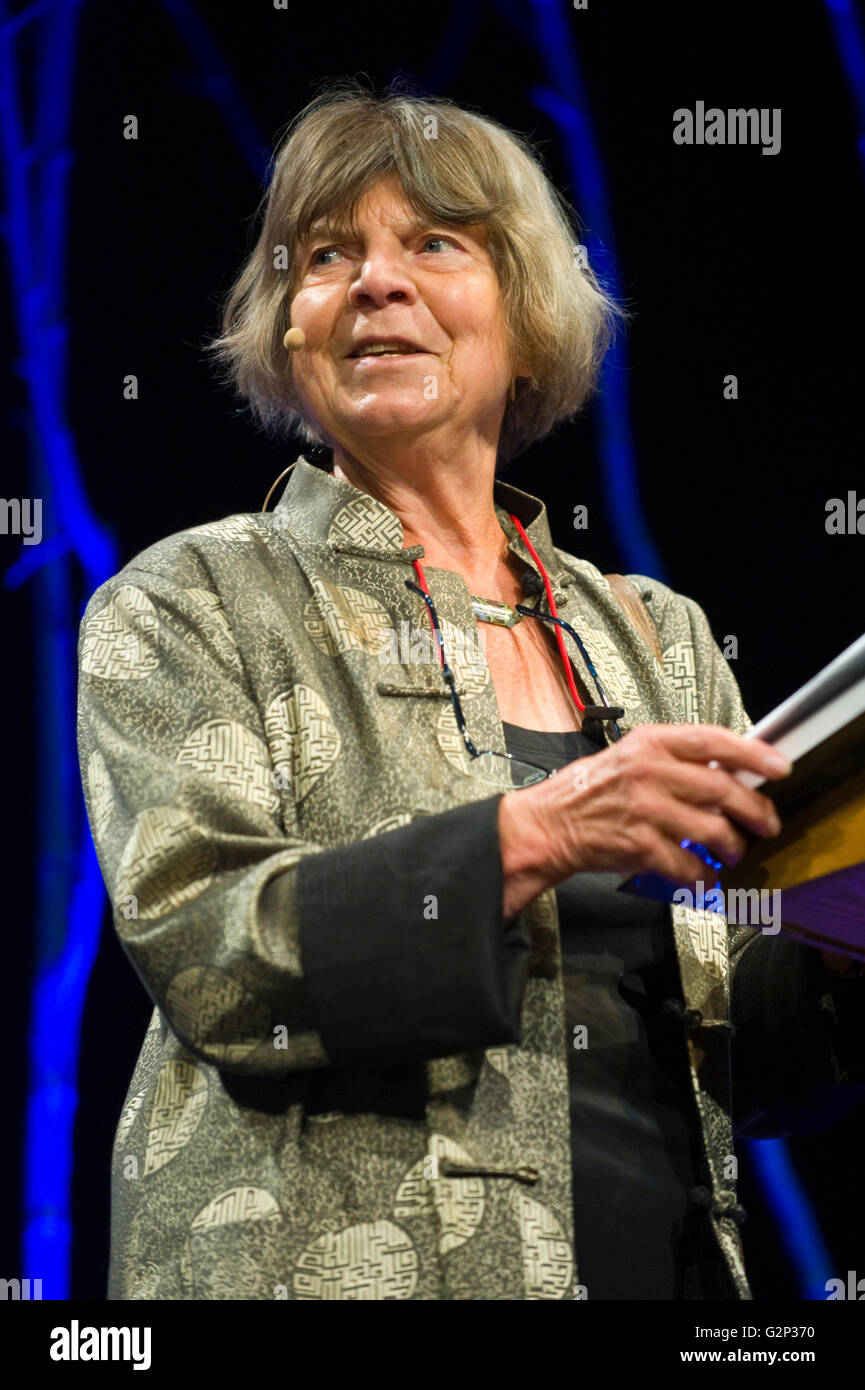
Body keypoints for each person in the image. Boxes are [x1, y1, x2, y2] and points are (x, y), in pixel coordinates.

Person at [77, 82, 865, 1301]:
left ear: (525, 313)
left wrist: (838, 951)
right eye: (327, 255)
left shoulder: (657, 637)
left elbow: (740, 1045)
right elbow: (215, 951)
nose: (373, 283)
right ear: (288, 326)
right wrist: (539, 831)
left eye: (432, 244)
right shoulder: (189, 601)